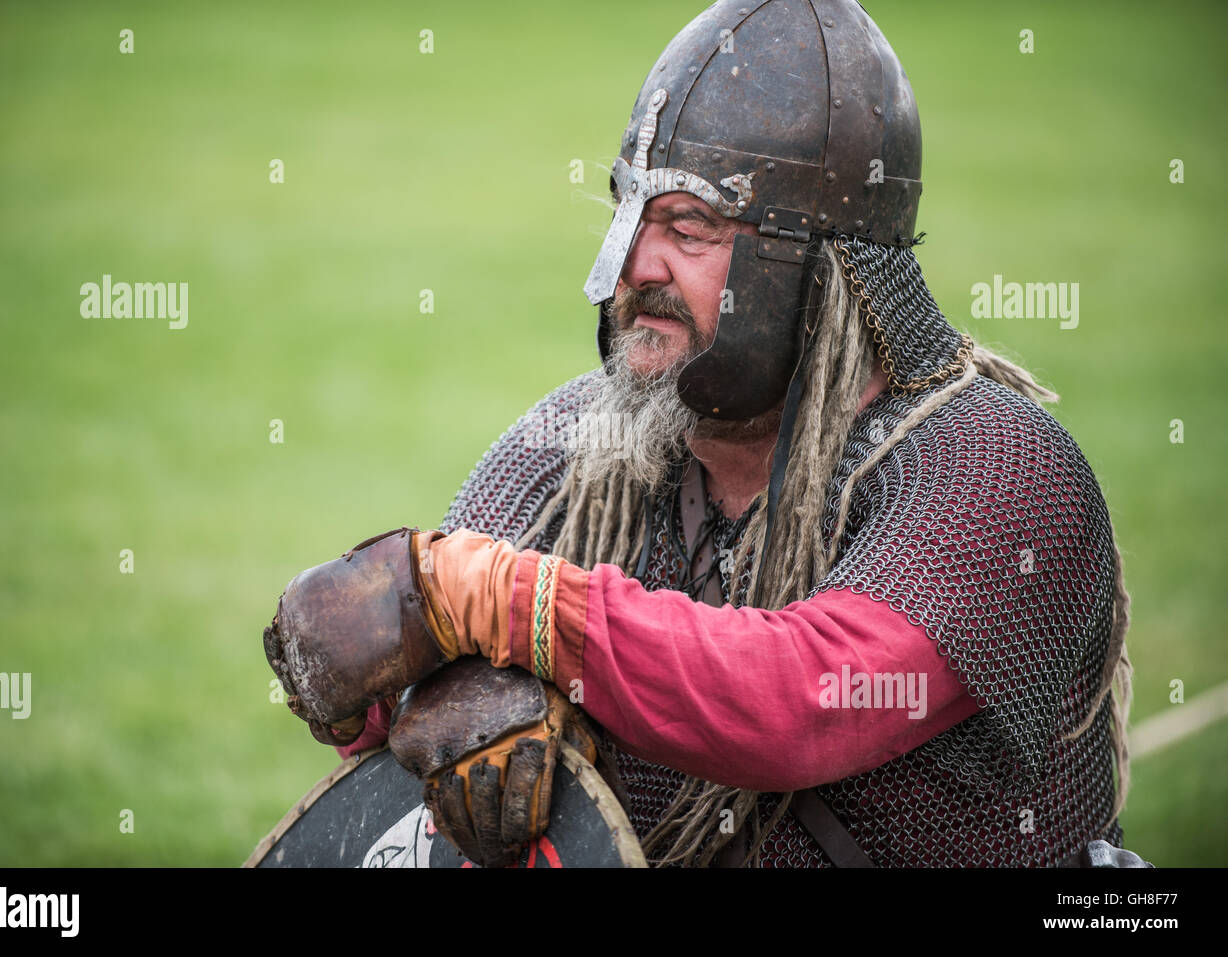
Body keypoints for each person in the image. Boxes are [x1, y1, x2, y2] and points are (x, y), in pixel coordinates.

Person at [264, 0, 1133, 867]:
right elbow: (389, 674)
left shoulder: (996, 467)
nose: (635, 266)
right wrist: (408, 684)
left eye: (688, 227)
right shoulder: (573, 445)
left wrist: (499, 604)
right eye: (629, 214)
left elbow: (805, 699)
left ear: (821, 265)